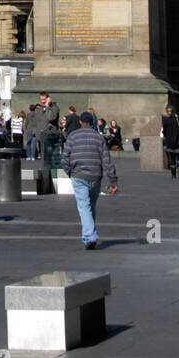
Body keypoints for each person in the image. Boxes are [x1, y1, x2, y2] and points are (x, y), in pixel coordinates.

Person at [61, 110, 118, 247]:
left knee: (84, 206)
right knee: (90, 206)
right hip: (95, 176)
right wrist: (113, 180)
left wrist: (70, 172)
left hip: (78, 175)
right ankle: (89, 235)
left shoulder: (73, 136)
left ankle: (90, 236)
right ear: (92, 123)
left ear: (80, 122)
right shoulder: (99, 138)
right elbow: (107, 160)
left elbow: (64, 158)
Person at [33, 92, 60, 161]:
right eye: (41, 99)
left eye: (44, 99)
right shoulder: (39, 110)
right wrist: (37, 135)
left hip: (50, 136)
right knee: (43, 159)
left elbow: (51, 118)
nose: (42, 101)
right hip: (41, 137)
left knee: (50, 159)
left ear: (48, 99)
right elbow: (36, 123)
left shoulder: (54, 108)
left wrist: (48, 106)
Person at [161, 105, 179, 179]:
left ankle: (173, 174)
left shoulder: (165, 121)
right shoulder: (178, 120)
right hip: (178, 141)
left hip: (169, 142)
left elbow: (164, 132)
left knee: (171, 159)